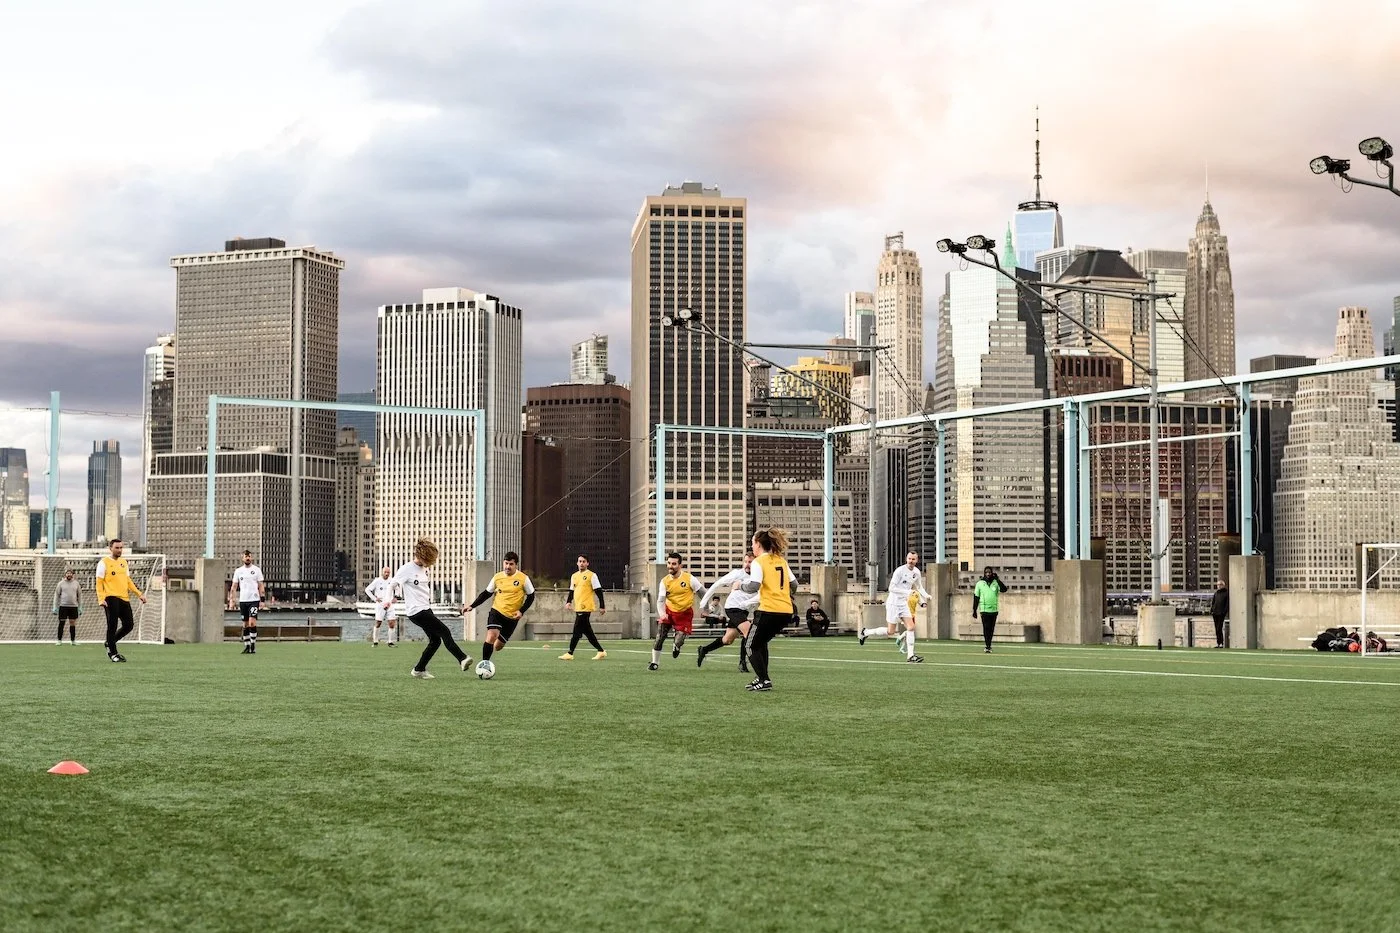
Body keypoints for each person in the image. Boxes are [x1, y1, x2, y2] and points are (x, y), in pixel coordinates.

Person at [398, 538, 472, 678]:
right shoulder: (406, 569)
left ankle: (419, 669)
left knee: (435, 641)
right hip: (416, 611)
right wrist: (388, 600)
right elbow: (393, 583)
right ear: (422, 555)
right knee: (445, 631)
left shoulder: (424, 569)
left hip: (426, 608)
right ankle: (462, 658)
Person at [739, 527, 796, 691]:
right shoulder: (781, 560)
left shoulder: (759, 561)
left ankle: (764, 680)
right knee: (760, 642)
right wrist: (784, 594)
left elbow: (753, 586)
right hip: (785, 611)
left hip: (768, 610)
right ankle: (762, 678)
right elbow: (794, 584)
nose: (752, 548)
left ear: (758, 544)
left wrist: (739, 586)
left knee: (750, 645)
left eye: (752, 544)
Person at [465, 551, 536, 674]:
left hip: (512, 617)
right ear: (503, 563)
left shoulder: (523, 579)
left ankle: (489, 650)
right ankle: (484, 665)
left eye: (511, 564)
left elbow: (531, 596)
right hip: (497, 612)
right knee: (491, 635)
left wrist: (521, 611)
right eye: (506, 563)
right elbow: (486, 593)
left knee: (498, 646)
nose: (508, 566)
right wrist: (472, 605)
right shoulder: (498, 577)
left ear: (516, 565)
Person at [859, 551, 928, 663]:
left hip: (903, 604)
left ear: (917, 560)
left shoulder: (916, 572)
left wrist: (924, 598)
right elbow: (891, 588)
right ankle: (866, 632)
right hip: (893, 603)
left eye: (913, 559)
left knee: (911, 627)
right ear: (906, 559)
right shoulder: (900, 571)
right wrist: (907, 593)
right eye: (909, 558)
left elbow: (919, 587)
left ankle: (910, 656)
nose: (911, 561)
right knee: (890, 631)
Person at [695, 550, 757, 673]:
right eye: (745, 562)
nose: (747, 564)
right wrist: (704, 601)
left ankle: (704, 649)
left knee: (727, 639)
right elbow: (717, 583)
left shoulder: (758, 577)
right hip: (733, 608)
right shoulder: (737, 574)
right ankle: (742, 663)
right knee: (748, 632)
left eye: (750, 562)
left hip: (744, 610)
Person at [650, 551, 706, 671]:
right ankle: (655, 663)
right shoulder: (664, 581)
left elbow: (702, 593)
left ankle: (676, 646)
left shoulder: (689, 579)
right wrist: (662, 614)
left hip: (685, 614)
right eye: (669, 563)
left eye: (674, 564)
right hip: (669, 611)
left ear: (680, 565)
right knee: (660, 636)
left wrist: (706, 607)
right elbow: (660, 601)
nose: (671, 566)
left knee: (679, 640)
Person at [96, 539, 145, 662]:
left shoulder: (124, 562)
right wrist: (101, 599)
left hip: (124, 598)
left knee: (129, 625)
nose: (119, 550)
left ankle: (109, 643)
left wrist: (139, 594)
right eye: (117, 548)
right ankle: (113, 653)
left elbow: (128, 581)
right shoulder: (104, 563)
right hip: (110, 598)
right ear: (110, 548)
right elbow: (99, 583)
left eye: (121, 548)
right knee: (112, 626)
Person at [560, 554, 607, 660]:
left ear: (587, 563)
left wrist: (602, 606)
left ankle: (570, 653)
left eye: (584, 561)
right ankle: (601, 651)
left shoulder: (592, 575)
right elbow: (572, 590)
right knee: (587, 631)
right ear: (577, 563)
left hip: (586, 606)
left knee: (576, 631)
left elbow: (599, 591)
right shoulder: (574, 576)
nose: (581, 563)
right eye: (580, 561)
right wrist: (568, 602)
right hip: (578, 606)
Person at [229, 550, 266, 654]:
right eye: (246, 557)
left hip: (254, 599)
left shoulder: (257, 570)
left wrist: (262, 600)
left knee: (252, 622)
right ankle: (247, 646)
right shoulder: (238, 571)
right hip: (243, 600)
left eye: (249, 556)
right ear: (242, 558)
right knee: (245, 624)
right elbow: (234, 587)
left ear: (251, 557)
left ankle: (253, 645)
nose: (247, 558)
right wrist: (232, 600)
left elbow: (261, 585)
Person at [973, 567, 1009, 653]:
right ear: (984, 573)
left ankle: (989, 645)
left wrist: (998, 580)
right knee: (986, 628)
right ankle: (987, 646)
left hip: (994, 610)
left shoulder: (995, 582)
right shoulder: (980, 583)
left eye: (989, 572)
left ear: (992, 573)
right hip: (984, 610)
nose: (988, 574)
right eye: (986, 572)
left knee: (991, 629)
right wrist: (974, 610)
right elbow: (976, 598)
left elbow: (1004, 589)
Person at [365, 566, 400, 647]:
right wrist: (374, 598)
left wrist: (395, 597)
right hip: (380, 605)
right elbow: (367, 590)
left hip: (390, 604)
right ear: (382, 572)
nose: (387, 574)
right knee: (378, 623)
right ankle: (375, 641)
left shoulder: (392, 581)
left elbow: (397, 589)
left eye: (388, 572)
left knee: (392, 623)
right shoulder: (377, 580)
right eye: (385, 572)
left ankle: (390, 642)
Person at [52, 568, 81, 645]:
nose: (69, 574)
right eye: (68, 573)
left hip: (73, 606)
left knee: (72, 623)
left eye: (70, 573)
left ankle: (73, 641)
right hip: (63, 606)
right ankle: (59, 640)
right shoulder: (60, 583)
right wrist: (55, 606)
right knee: (62, 622)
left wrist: (80, 607)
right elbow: (56, 595)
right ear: (65, 574)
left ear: (73, 575)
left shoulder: (76, 584)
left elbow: (79, 596)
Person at [1210, 580, 1228, 648]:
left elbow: (1226, 604)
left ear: (1223, 585)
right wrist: (1212, 610)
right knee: (1216, 629)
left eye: (1220, 584)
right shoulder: (1216, 593)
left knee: (1219, 628)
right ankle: (1218, 643)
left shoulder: (1226, 593)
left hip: (1221, 613)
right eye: (1218, 585)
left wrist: (1224, 612)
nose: (1219, 586)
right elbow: (1213, 602)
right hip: (1215, 613)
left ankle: (1221, 643)